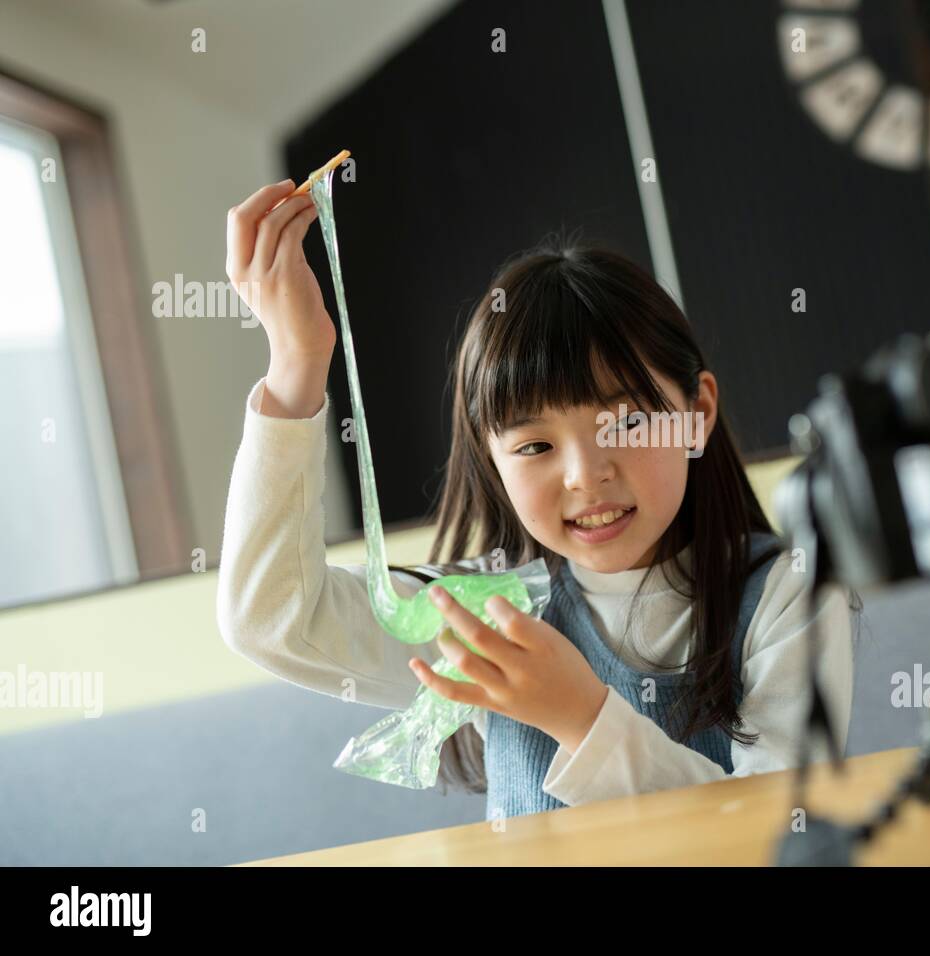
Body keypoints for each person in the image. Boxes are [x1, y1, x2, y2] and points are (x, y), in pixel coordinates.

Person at [216, 179, 860, 819]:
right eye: (534, 447)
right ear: (493, 461)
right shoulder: (485, 611)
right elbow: (273, 617)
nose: (585, 474)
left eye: (626, 422)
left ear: (697, 413)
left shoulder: (789, 594)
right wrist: (297, 363)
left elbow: (784, 824)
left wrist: (584, 718)